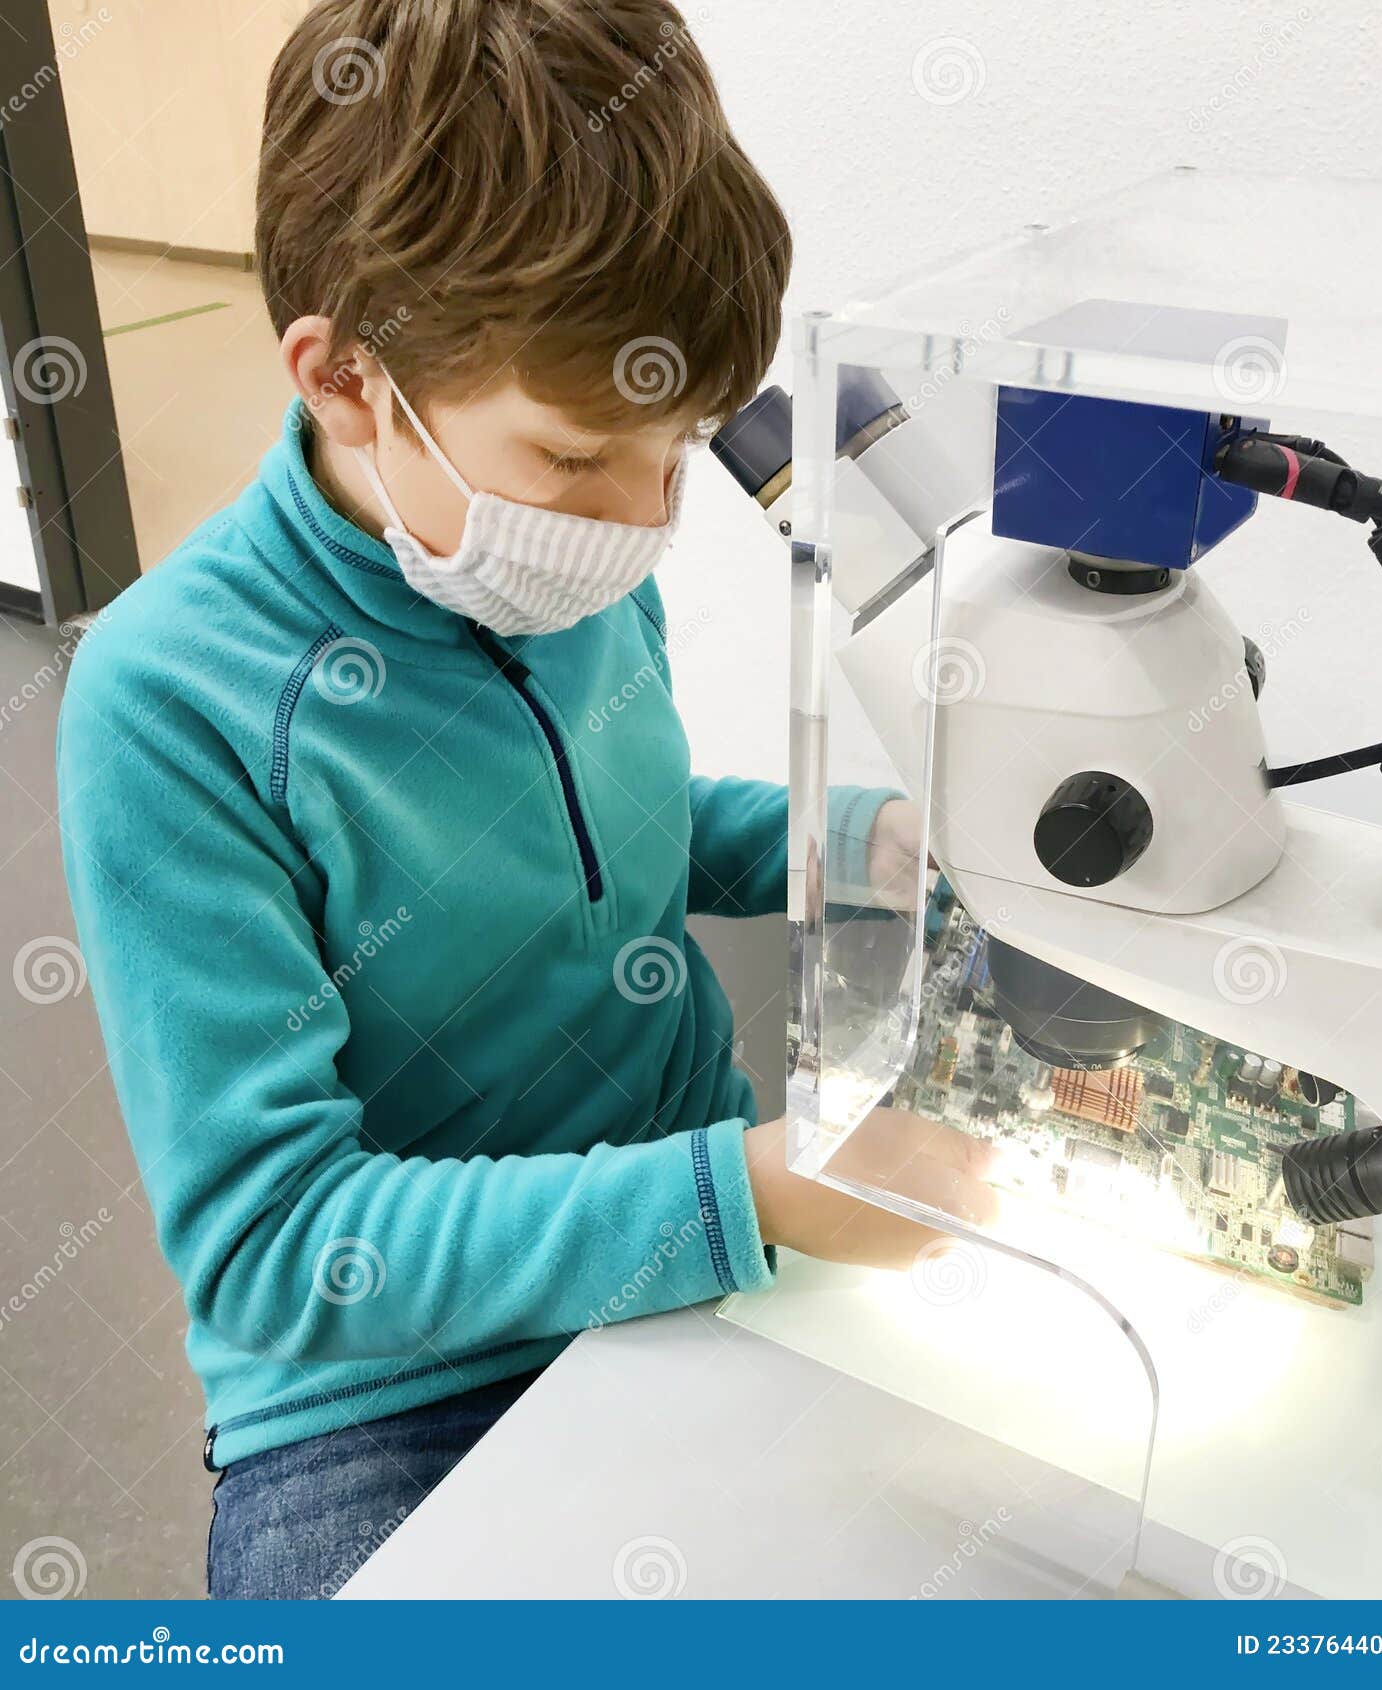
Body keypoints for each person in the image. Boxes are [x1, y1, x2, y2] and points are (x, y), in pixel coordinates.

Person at [55, 0, 992, 1600]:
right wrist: (748, 1192)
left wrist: (862, 842)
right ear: (346, 379)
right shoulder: (171, 702)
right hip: (391, 1389)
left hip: (708, 1231)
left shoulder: (552, 564)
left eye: (678, 450)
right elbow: (280, 1246)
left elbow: (617, 829)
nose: (642, 518)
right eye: (575, 459)